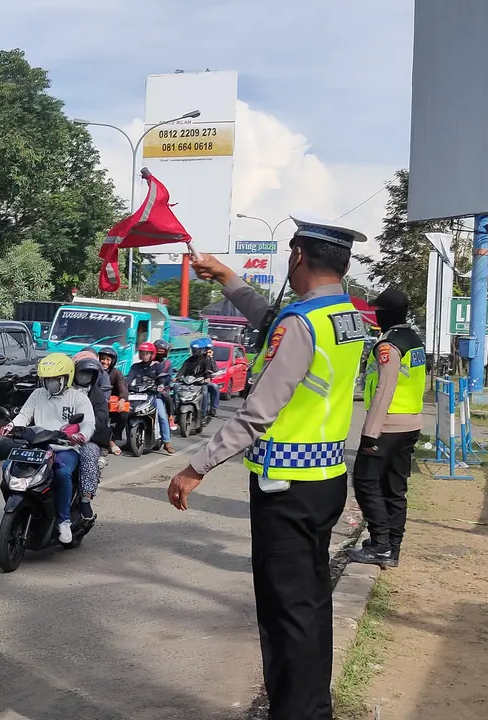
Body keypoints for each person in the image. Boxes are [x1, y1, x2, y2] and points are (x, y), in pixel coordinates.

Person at [167, 216, 368, 720]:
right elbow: (273, 319)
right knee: (309, 606)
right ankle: (313, 708)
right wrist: (226, 277)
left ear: (298, 256)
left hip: (286, 488)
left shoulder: (302, 323)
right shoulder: (344, 317)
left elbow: (258, 413)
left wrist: (196, 466)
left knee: (285, 614)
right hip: (324, 481)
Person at [348, 288, 425, 569]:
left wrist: (370, 432)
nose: (375, 316)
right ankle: (392, 547)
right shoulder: (414, 340)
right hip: (410, 423)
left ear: (385, 313)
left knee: (365, 482)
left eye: (377, 311)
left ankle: (381, 545)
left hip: (388, 425)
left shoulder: (389, 345)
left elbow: (384, 389)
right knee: (394, 487)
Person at [1, 353, 96, 544]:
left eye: (54, 379)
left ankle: (64, 520)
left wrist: (80, 436)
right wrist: (11, 426)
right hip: (38, 446)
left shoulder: (78, 398)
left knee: (62, 473)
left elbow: (88, 424)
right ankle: (21, 508)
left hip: (65, 448)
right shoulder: (38, 394)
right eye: (47, 379)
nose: (49, 382)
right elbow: (24, 415)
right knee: (7, 468)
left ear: (66, 378)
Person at [71, 354, 111, 519]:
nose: (85, 377)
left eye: (89, 374)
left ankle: (85, 499)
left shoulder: (96, 394)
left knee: (88, 455)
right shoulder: (64, 390)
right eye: (82, 372)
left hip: (87, 438)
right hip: (60, 435)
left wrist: (84, 426)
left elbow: (102, 417)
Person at [125, 342, 175, 454]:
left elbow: (162, 380)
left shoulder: (157, 366)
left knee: (162, 416)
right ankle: (128, 441)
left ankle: (167, 442)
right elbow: (129, 378)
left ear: (152, 354)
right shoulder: (135, 366)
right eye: (142, 353)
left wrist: (160, 385)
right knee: (126, 414)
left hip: (154, 395)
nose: (144, 355)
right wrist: (126, 385)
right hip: (137, 395)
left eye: (147, 353)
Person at [97, 347, 130, 455]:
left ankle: (113, 440)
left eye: (108, 360)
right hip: (96, 403)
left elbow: (123, 389)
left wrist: (122, 399)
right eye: (102, 359)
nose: (105, 362)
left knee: (124, 414)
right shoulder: (94, 371)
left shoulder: (117, 373)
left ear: (113, 361)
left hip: (112, 405)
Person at [178, 337, 220, 417]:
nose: (207, 350)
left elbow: (211, 370)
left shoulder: (207, 359)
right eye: (194, 350)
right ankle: (176, 410)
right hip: (190, 381)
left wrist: (207, 377)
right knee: (176, 387)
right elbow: (182, 369)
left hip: (201, 382)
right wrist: (177, 377)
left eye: (209, 348)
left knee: (211, 389)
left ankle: (206, 411)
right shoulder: (189, 360)